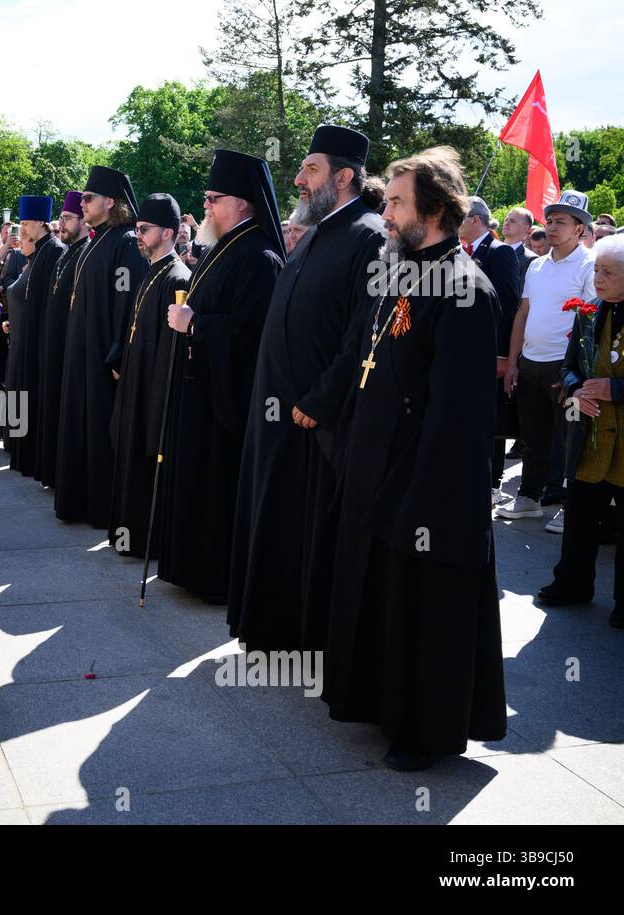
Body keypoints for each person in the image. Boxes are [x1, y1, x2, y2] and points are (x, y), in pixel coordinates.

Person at [322, 146, 506, 770]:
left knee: (421, 608)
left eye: (397, 201)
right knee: (381, 599)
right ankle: (380, 703)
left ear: (434, 209)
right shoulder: (401, 270)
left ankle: (422, 730)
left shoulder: (464, 289)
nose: (388, 211)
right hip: (376, 468)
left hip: (425, 485)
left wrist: (421, 495)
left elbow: (458, 415)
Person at [228, 126, 386, 649]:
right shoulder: (318, 230)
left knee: (300, 526)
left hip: (311, 419)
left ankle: (293, 634)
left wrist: (320, 399)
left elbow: (364, 330)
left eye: (311, 169)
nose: (298, 179)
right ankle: (264, 623)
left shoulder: (369, 235)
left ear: (344, 177)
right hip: (276, 407)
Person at [158, 150, 284, 604]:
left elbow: (254, 332)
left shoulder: (260, 255)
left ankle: (214, 577)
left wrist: (194, 323)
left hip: (228, 397)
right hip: (201, 388)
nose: (206, 205)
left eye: (214, 198)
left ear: (244, 202)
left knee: (217, 486)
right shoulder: (225, 246)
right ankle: (189, 567)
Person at [54, 166, 148, 527]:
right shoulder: (100, 239)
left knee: (100, 432)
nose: (82, 202)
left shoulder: (125, 241)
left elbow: (129, 306)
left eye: (88, 198)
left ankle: (101, 508)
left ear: (110, 202)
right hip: (84, 353)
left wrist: (118, 352)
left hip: (102, 359)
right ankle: (79, 502)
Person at [537, 234, 624, 628]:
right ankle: (572, 584)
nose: (598, 277)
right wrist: (576, 390)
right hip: (590, 439)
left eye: (608, 271)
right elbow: (569, 365)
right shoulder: (588, 313)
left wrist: (615, 389)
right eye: (597, 269)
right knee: (580, 518)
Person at [499, 190, 597, 522]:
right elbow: (522, 315)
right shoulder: (536, 265)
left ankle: (568, 506)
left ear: (580, 229)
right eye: (550, 221)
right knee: (533, 436)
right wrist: (513, 362)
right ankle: (529, 497)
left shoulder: (590, 265)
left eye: (562, 222)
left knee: (570, 441)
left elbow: (589, 322)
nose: (552, 227)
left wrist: (575, 371)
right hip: (530, 364)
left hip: (564, 367)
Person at [108, 193, 191, 557]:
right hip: (134, 387)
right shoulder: (150, 273)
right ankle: (126, 538)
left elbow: (172, 352)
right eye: (137, 228)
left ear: (169, 233)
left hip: (153, 396)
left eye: (145, 229)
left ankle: (143, 541)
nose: (137, 235)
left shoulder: (178, 277)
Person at [460, 196, 524, 507]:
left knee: (491, 417)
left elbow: (509, 303)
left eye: (459, 216)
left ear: (474, 220)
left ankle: (492, 482)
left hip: (490, 350)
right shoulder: (456, 251)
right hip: (460, 350)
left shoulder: (499, 253)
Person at [2, 196, 65, 471]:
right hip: (25, 335)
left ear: (40, 222)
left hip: (38, 337)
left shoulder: (51, 250)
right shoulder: (39, 251)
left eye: (25, 222)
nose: (22, 228)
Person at [35, 191, 88, 488]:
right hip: (53, 345)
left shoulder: (86, 251)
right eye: (62, 218)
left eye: (68, 218)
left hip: (68, 346)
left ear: (83, 222)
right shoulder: (67, 252)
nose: (61, 224)